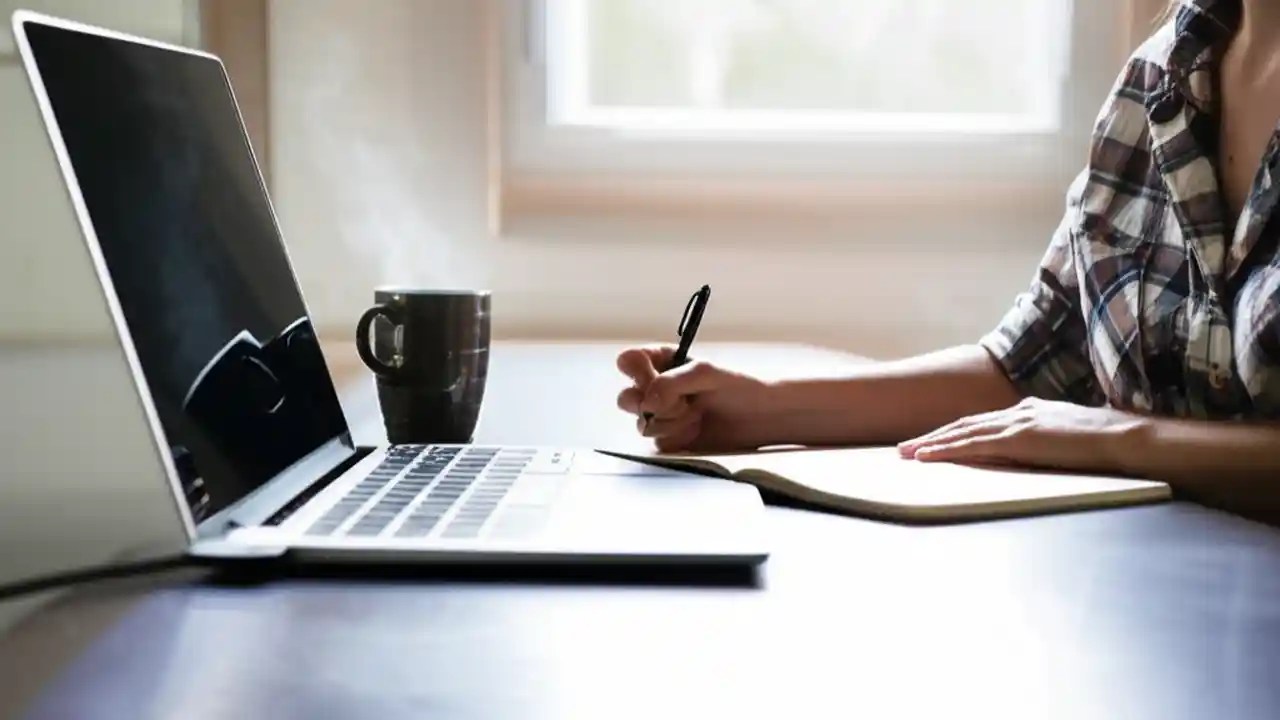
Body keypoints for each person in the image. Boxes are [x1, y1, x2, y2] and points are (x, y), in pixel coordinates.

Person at [614, 0, 1280, 526]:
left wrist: (1121, 439)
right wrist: (761, 410)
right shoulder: (1158, 79)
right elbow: (1024, 368)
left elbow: (1072, 423)